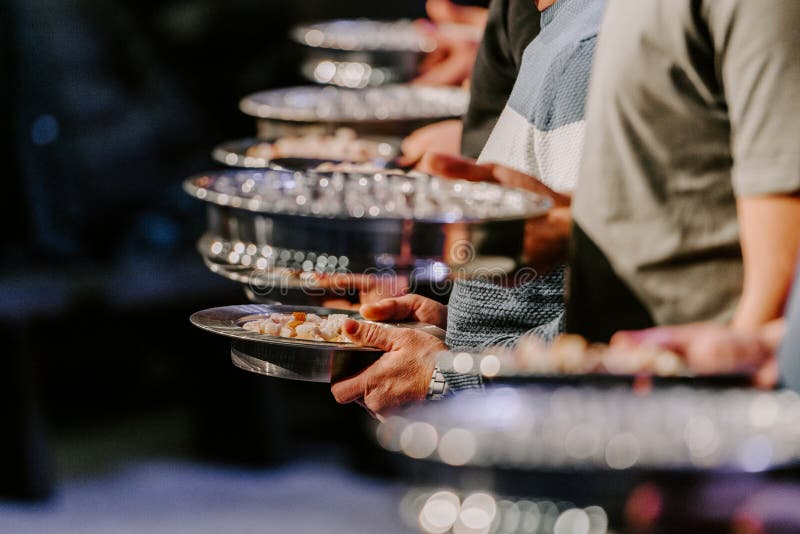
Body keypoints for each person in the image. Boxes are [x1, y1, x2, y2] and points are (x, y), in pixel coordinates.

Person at [331, 0, 606, 415]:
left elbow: (632, 306)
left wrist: (451, 374)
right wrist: (462, 326)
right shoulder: (560, 29)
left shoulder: (591, 47)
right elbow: (560, 287)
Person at [567, 0, 800, 342]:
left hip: (691, 381)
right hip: (612, 366)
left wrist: (731, 379)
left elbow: (781, 280)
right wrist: (555, 215)